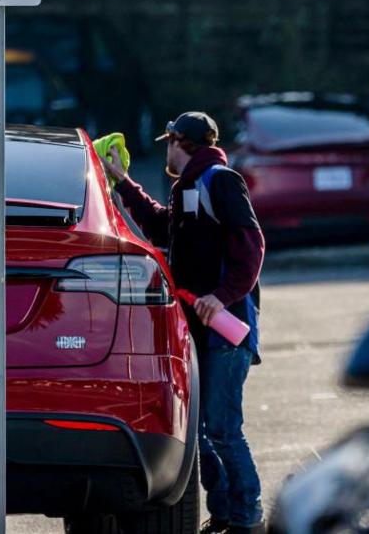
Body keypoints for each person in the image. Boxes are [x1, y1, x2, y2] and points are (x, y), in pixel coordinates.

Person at [101, 112, 266, 534]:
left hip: (228, 328)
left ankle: (249, 519)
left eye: (168, 142)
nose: (165, 151)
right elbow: (161, 228)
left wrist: (221, 297)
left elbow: (252, 248)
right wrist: (122, 182)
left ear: (182, 142)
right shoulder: (185, 187)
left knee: (224, 429)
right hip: (195, 329)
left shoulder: (220, 180)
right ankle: (226, 512)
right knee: (202, 434)